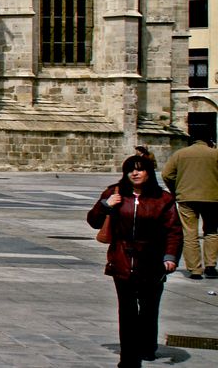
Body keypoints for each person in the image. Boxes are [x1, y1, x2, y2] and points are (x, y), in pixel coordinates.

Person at [87, 153, 183, 368]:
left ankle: (147, 347)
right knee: (127, 310)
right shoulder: (115, 192)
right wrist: (105, 204)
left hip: (152, 260)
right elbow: (93, 221)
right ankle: (129, 357)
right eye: (131, 169)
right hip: (121, 258)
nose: (135, 173)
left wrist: (170, 257)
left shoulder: (163, 199)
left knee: (149, 307)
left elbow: (174, 231)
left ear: (149, 173)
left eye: (140, 169)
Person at [164, 127, 218, 279]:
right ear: (210, 140)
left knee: (190, 233)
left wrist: (176, 189)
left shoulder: (180, 154)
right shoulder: (215, 154)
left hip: (186, 198)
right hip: (212, 198)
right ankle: (211, 266)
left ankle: (195, 269)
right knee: (212, 231)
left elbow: (167, 174)